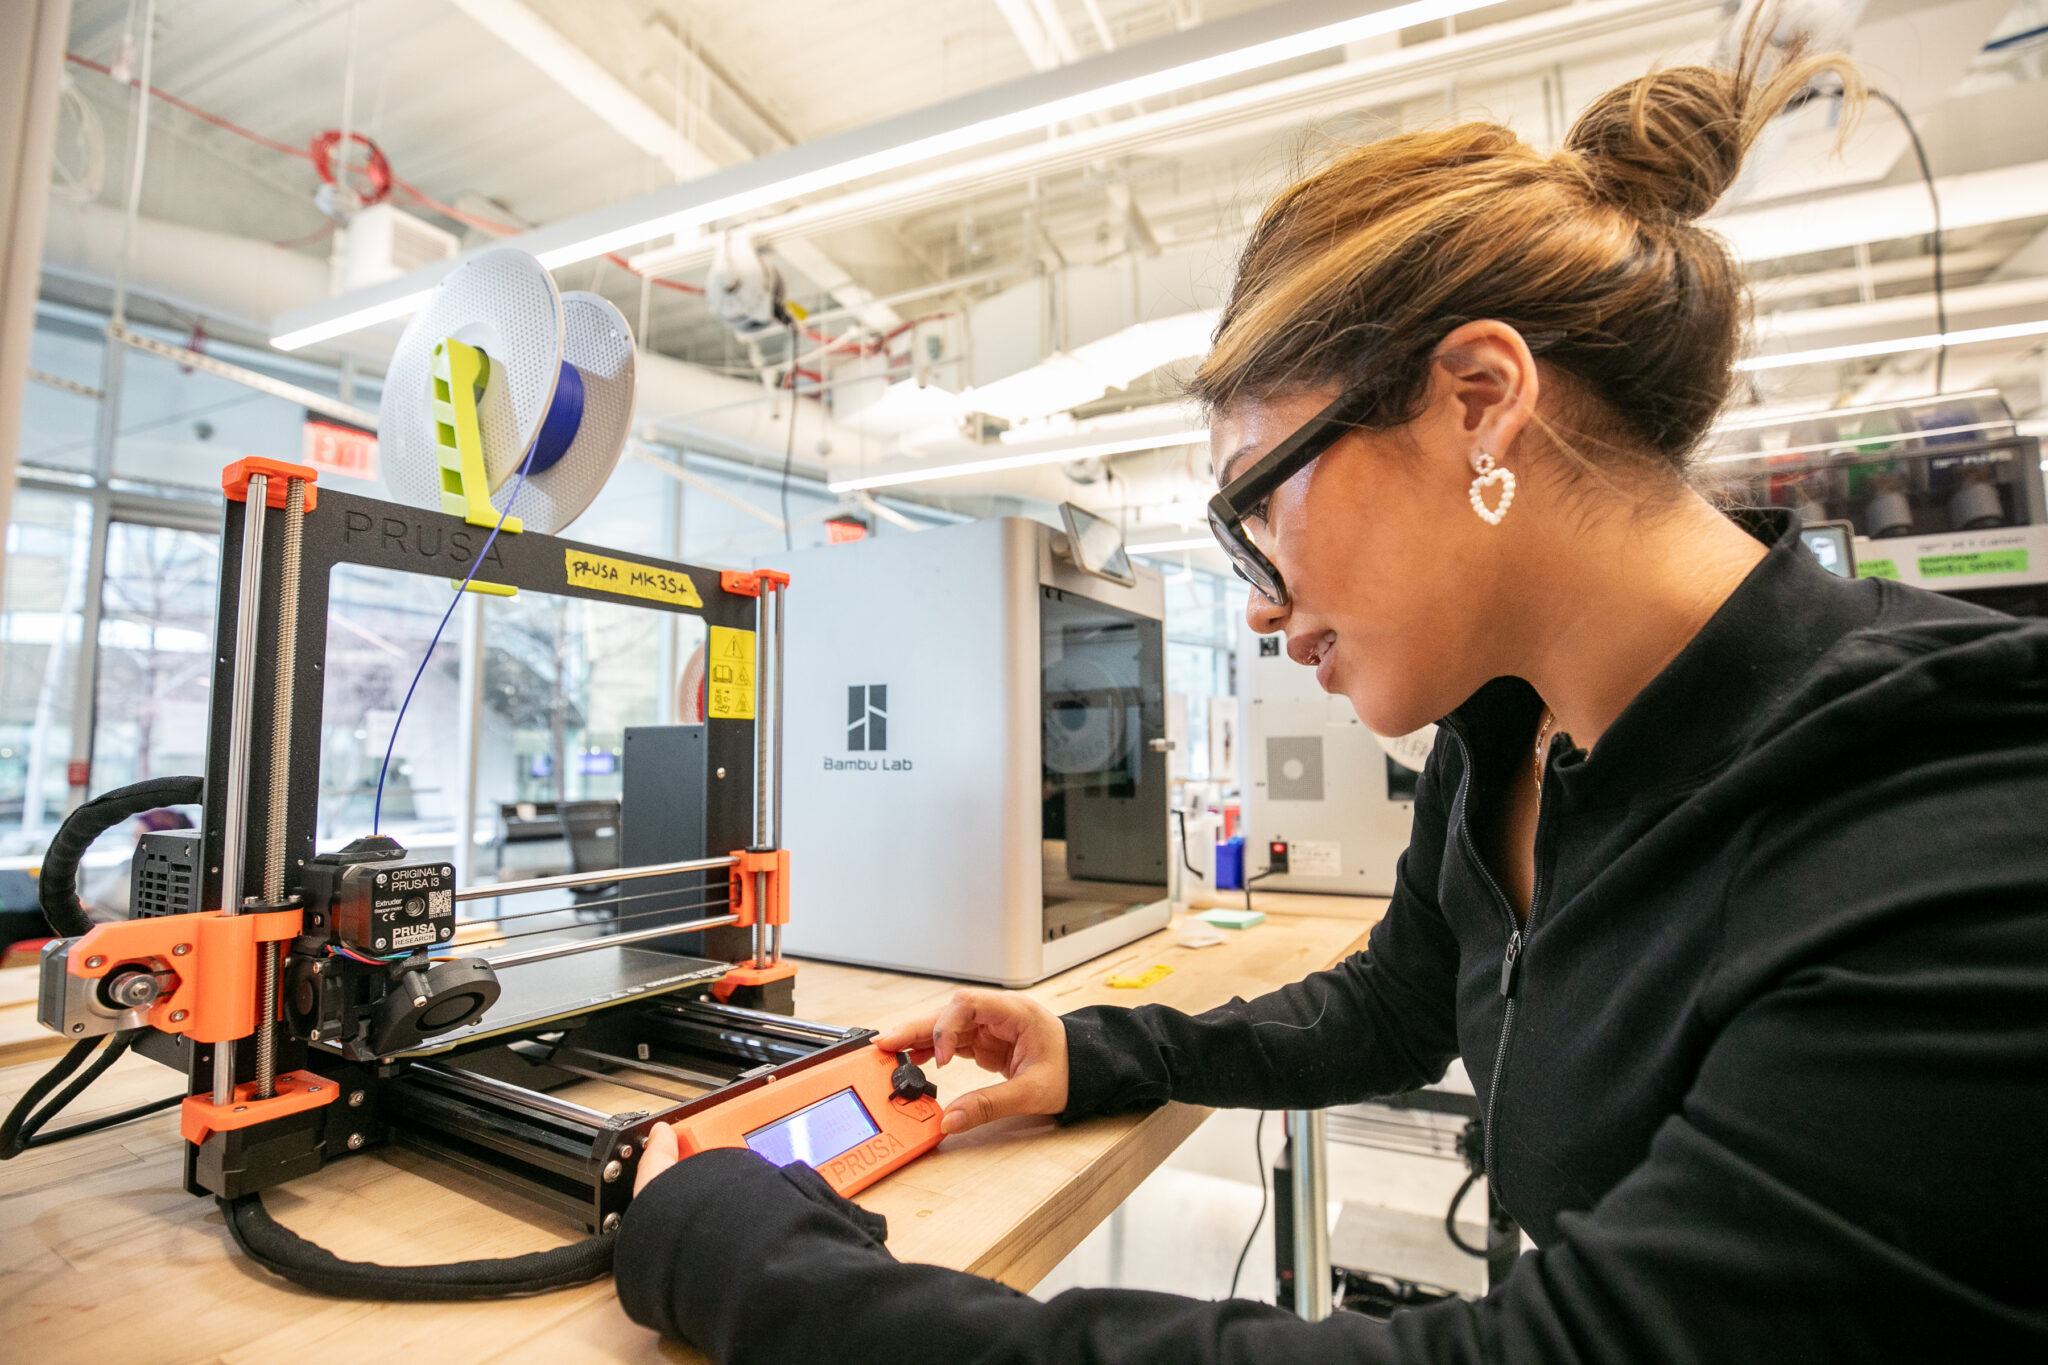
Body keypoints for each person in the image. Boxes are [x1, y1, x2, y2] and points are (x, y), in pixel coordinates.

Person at [613, 25, 2048, 1363]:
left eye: (1256, 506)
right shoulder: (1511, 737)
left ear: (1481, 399)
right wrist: (1095, 1050)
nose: (1258, 594)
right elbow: (1398, 1003)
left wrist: (785, 1289)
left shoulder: (1942, 829)